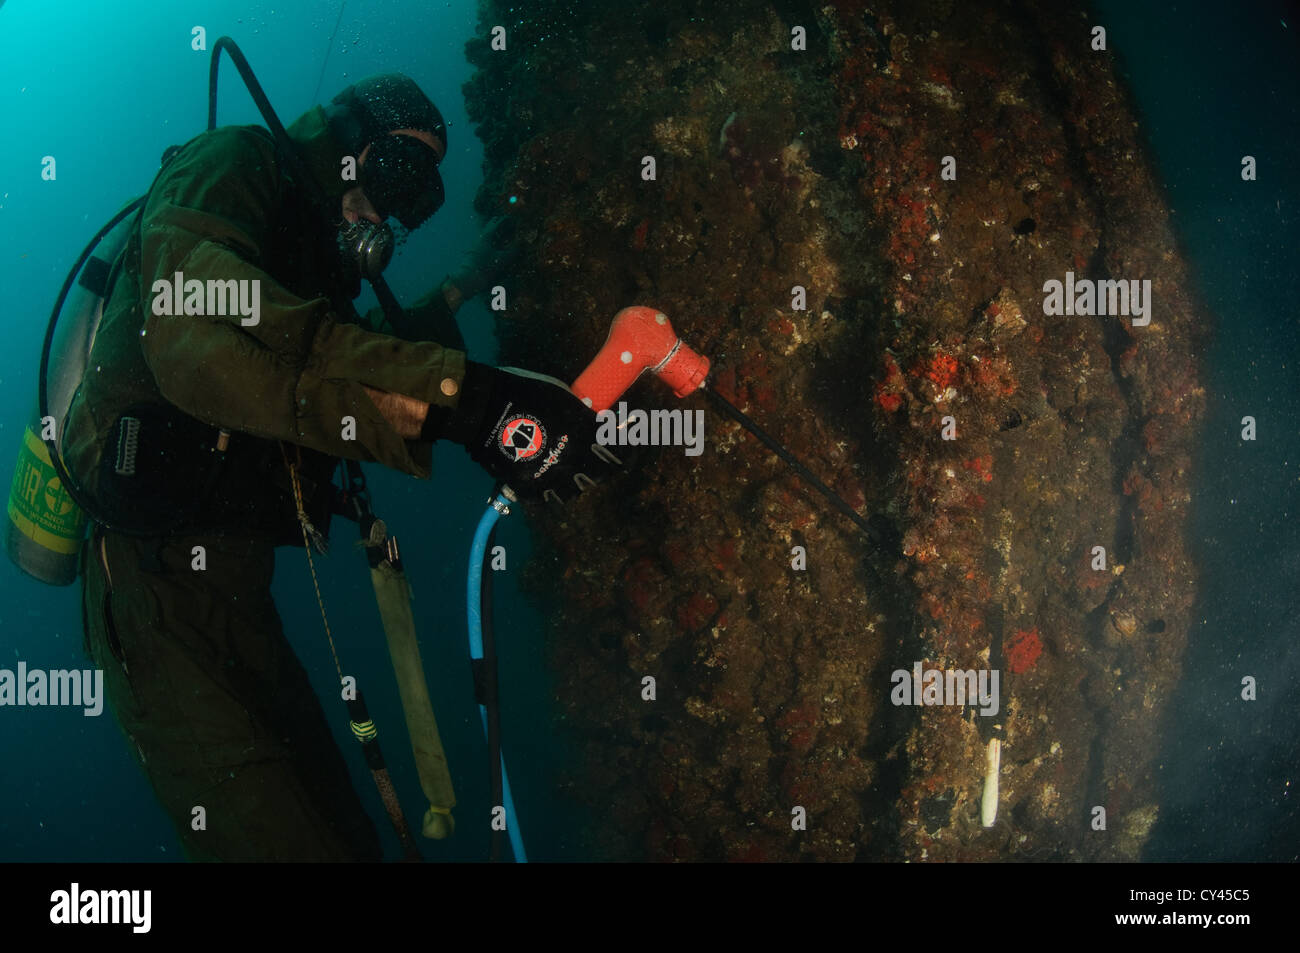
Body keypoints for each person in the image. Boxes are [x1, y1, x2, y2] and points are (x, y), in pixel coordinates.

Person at [62, 74, 616, 861]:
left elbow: (346, 372)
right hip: (153, 587)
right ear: (347, 140)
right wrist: (469, 405)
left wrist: (465, 291)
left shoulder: (303, 254)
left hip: (231, 592)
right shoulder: (235, 162)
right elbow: (204, 330)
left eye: (420, 200)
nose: (395, 211)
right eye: (396, 175)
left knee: (342, 836)